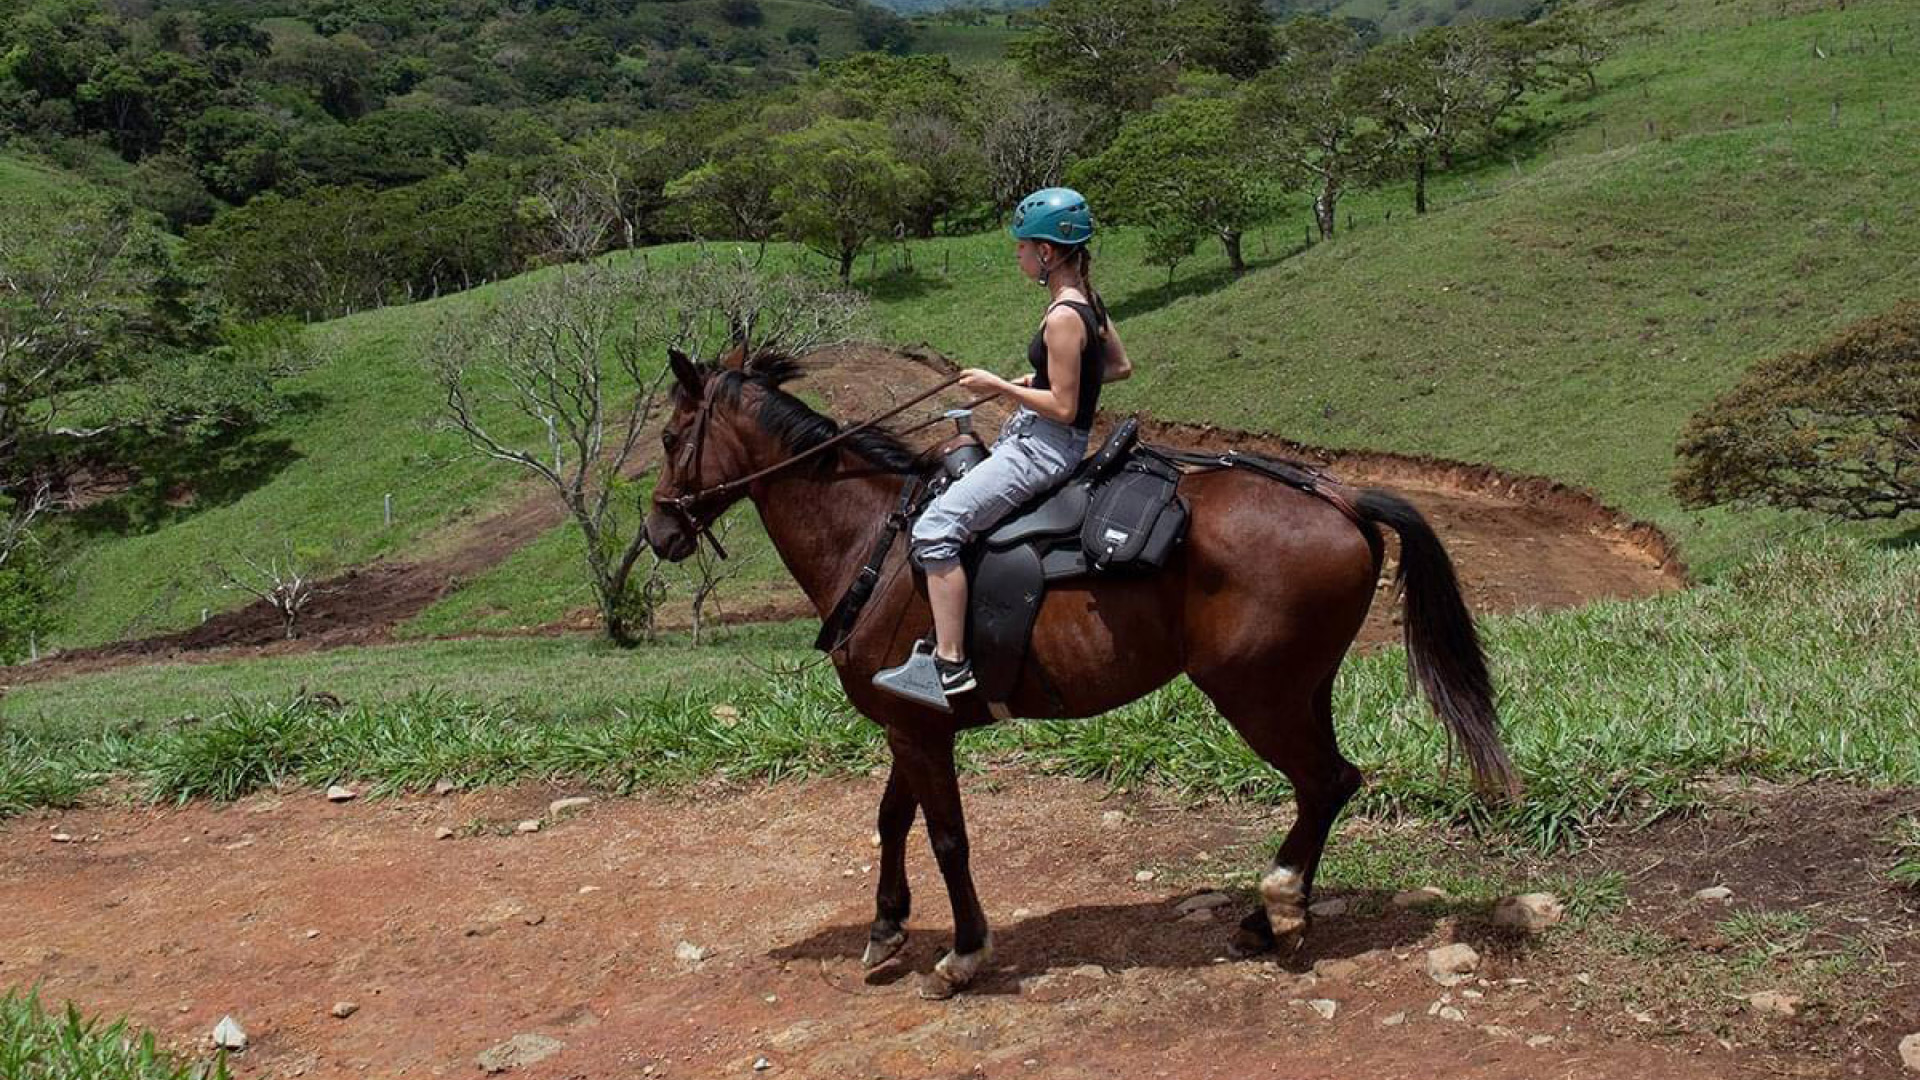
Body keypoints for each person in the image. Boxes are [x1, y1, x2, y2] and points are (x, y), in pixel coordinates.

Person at [875, 187, 1134, 706]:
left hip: (1042, 448)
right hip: (1044, 438)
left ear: (1046, 252)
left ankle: (949, 665)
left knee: (935, 529)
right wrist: (1041, 374)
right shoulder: (1088, 302)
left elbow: (1063, 407)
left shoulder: (1063, 317)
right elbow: (1115, 368)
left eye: (1022, 245)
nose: (1016, 253)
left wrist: (1001, 386)